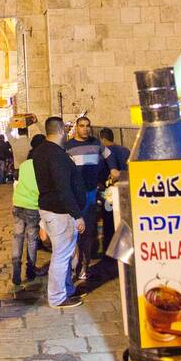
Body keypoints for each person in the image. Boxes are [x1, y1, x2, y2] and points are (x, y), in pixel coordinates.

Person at [33, 117, 86, 309]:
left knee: (63, 253)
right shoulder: (56, 155)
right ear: (62, 130)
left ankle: (67, 289)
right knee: (62, 255)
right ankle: (57, 297)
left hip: (50, 208)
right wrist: (77, 214)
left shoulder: (41, 151)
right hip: (60, 211)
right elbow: (63, 187)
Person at [64, 115, 106, 283]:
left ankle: (84, 267)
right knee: (73, 234)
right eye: (82, 126)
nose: (86, 129)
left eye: (88, 125)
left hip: (90, 193)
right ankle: (74, 267)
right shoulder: (67, 147)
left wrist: (107, 175)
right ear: (76, 127)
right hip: (74, 195)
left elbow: (108, 158)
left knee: (88, 233)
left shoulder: (96, 144)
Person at [11, 134, 45, 287]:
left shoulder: (25, 164)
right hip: (32, 206)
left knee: (18, 236)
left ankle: (16, 267)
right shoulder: (43, 165)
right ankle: (30, 269)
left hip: (18, 204)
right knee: (31, 238)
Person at [98, 128, 131, 256]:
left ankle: (110, 252)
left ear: (102, 139)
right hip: (125, 191)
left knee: (109, 221)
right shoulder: (125, 150)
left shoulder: (106, 152)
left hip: (110, 194)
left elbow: (110, 173)